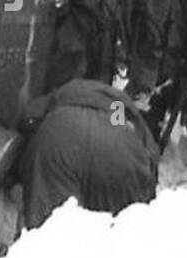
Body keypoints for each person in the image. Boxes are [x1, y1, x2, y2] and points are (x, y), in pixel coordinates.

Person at [17, 78, 160, 230]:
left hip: (61, 135)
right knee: (120, 233)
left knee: (50, 231)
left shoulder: (61, 96)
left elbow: (30, 114)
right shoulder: (118, 108)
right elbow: (150, 153)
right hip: (119, 146)